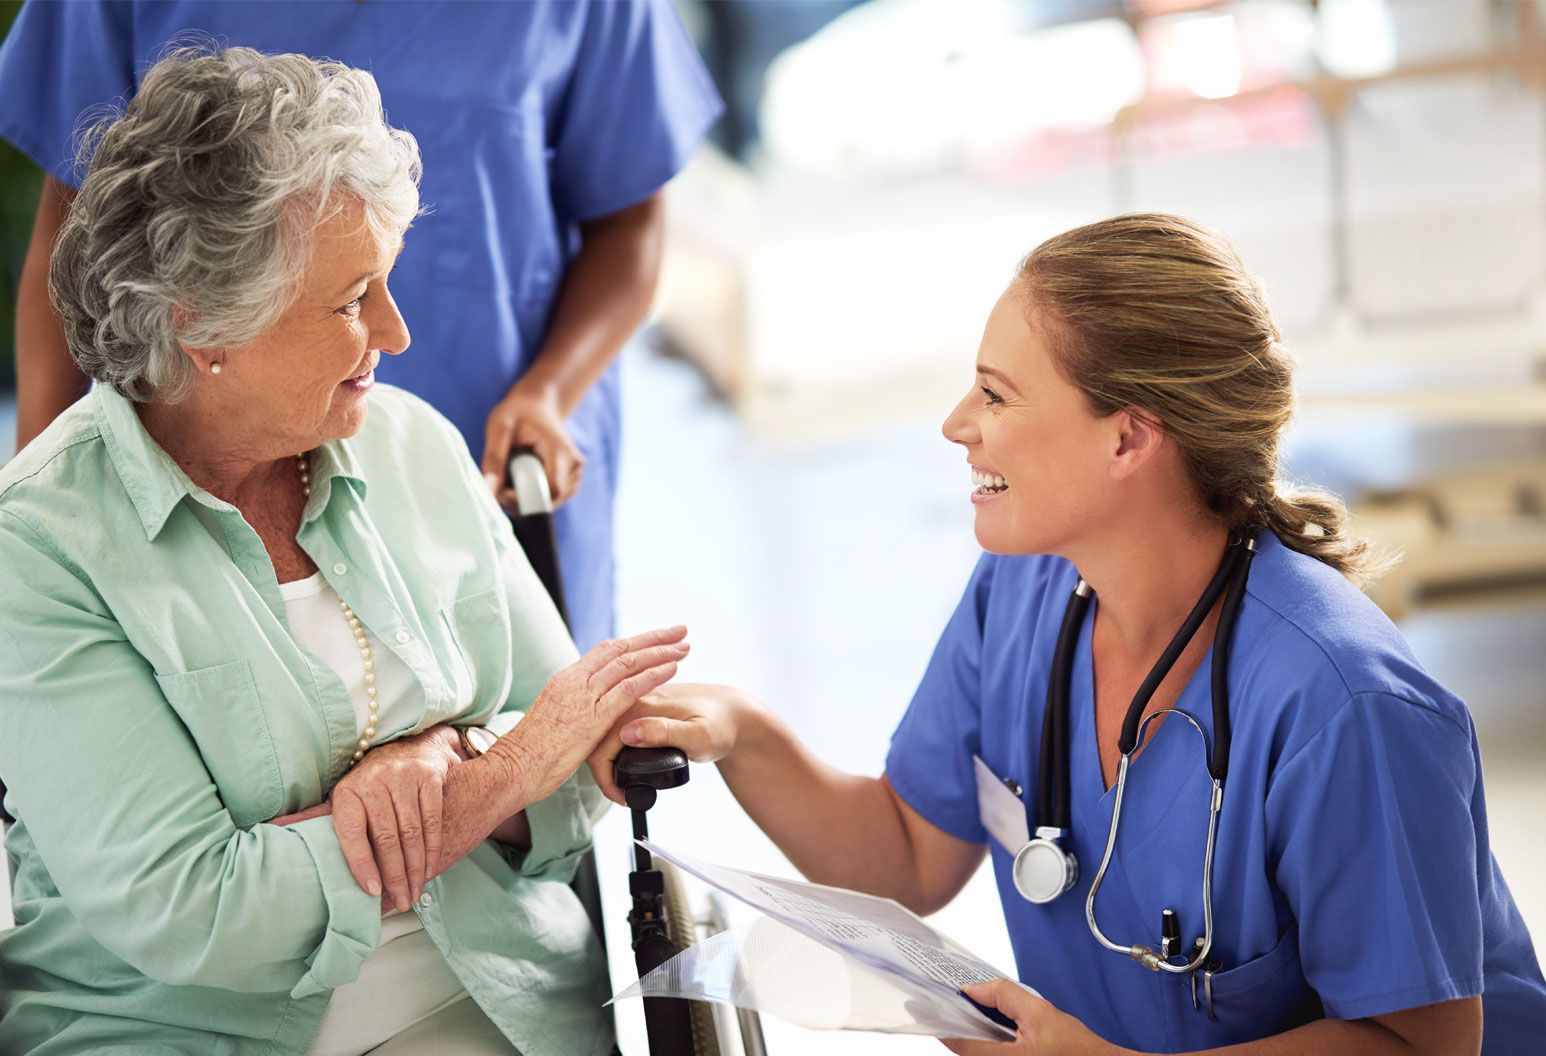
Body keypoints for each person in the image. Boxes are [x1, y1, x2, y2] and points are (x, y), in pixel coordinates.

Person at [594, 215, 1546, 1054]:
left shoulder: (1344, 703)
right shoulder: (1022, 593)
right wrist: (742, 731)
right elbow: (905, 857)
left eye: (997, 395)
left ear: (1128, 438)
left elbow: (1423, 1045)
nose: (955, 424)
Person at [0, 48, 690, 1056]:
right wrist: (496, 779)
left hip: (510, 1004)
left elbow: (583, 769)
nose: (397, 333)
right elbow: (197, 911)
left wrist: (436, 758)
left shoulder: (410, 444)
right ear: (202, 327)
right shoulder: (37, 548)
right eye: (350, 300)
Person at [0, 0, 724, 652]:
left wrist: (551, 392)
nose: (391, 333)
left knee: (534, 748)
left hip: (495, 460)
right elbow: (77, 235)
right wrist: (38, 522)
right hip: (208, 481)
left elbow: (630, 224)